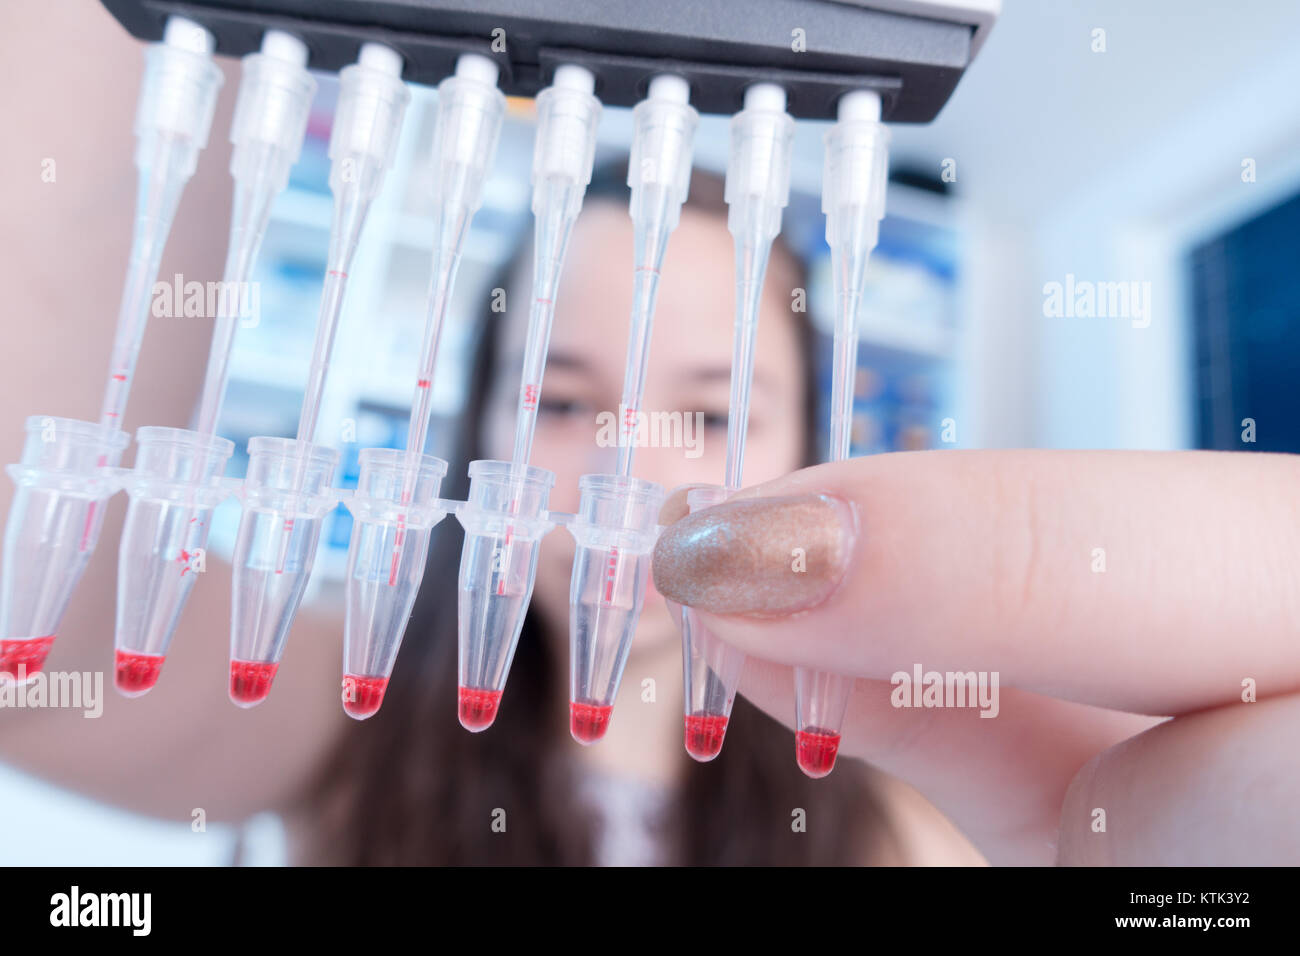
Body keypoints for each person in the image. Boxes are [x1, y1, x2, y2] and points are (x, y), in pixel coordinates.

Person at [0, 1, 977, 865]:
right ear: (477, 429)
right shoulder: (346, 718)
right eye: (558, 402)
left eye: (711, 415)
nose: (621, 469)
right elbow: (42, 673)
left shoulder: (898, 837)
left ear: (808, 447)